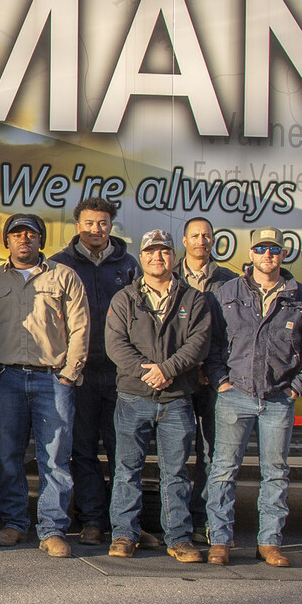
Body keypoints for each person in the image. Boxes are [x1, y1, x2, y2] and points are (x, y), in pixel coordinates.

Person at [0, 213, 88, 558]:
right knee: (8, 455)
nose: (24, 239)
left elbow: (80, 327)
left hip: (52, 379)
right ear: (6, 240)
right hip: (7, 378)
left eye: (31, 234)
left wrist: (69, 374)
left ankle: (52, 529)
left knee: (54, 457)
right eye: (17, 234)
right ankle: (14, 523)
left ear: (41, 239)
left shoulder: (64, 276)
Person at [101, 228, 217, 562]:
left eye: (164, 251)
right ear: (142, 257)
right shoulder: (125, 298)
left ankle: (179, 538)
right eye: (151, 252)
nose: (158, 257)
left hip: (177, 397)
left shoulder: (193, 299)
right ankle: (124, 535)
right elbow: (116, 344)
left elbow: (198, 343)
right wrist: (146, 371)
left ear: (174, 256)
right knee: (126, 470)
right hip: (133, 397)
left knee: (176, 472)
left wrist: (167, 370)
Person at [206, 228, 302, 567]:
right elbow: (209, 341)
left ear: (283, 254)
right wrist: (220, 381)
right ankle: (220, 541)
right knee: (223, 470)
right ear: (251, 254)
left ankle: (269, 542)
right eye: (261, 248)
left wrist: (296, 386)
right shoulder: (226, 292)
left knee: (276, 472)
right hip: (234, 393)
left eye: (274, 249)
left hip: (278, 398)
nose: (267, 255)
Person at [49, 197, 139, 545]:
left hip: (121, 375)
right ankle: (92, 520)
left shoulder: (129, 265)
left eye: (102, 223)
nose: (96, 230)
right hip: (80, 374)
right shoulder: (60, 265)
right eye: (89, 223)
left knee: (123, 451)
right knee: (83, 450)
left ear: (110, 226)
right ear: (78, 226)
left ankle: (124, 525)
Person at [169, 216, 237, 543]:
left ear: (214, 241)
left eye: (206, 235)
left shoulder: (230, 281)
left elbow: (235, 334)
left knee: (212, 452)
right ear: (184, 241)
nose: (201, 240)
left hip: (214, 380)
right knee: (177, 451)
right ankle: (177, 523)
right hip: (178, 378)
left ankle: (203, 519)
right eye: (194, 235)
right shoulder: (167, 277)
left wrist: (216, 371)